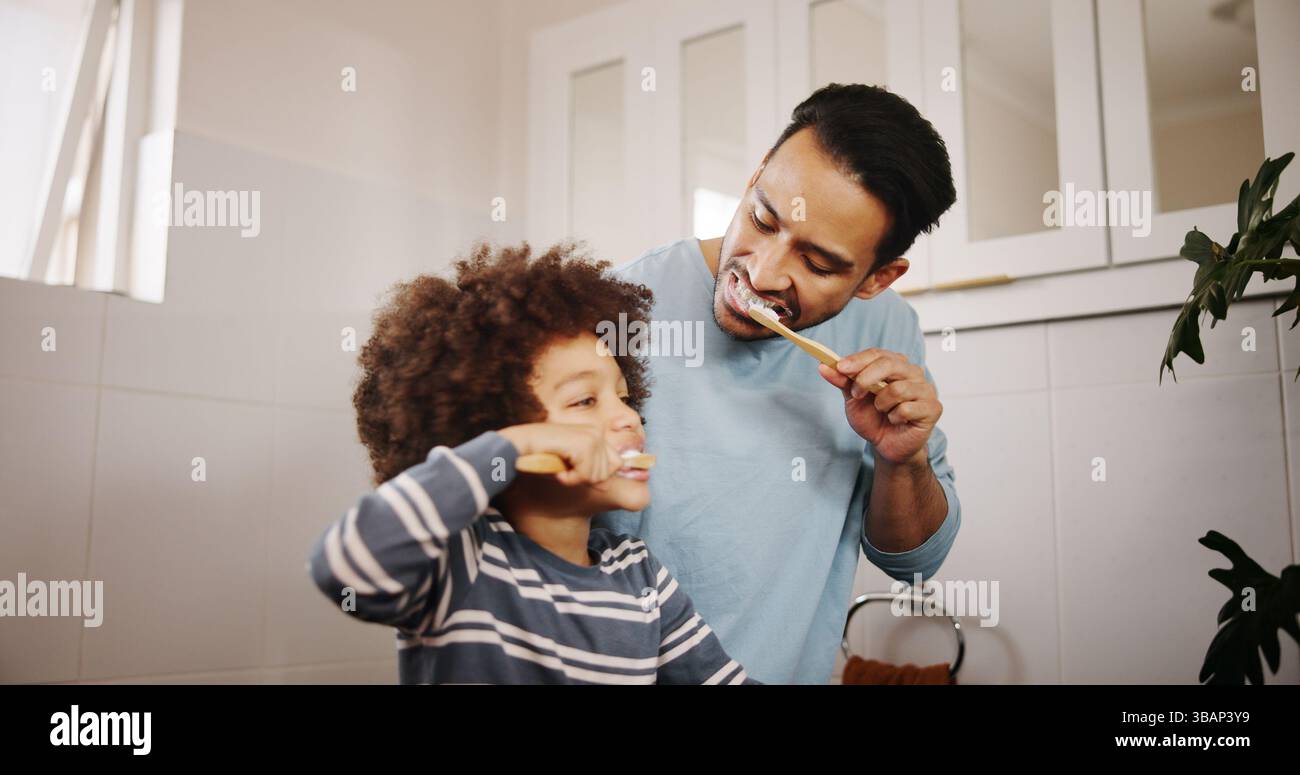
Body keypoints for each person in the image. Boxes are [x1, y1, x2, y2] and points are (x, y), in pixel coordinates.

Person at [594, 83, 962, 683]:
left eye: (817, 265)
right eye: (763, 220)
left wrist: (903, 458)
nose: (761, 274)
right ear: (755, 177)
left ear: (878, 278)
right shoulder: (612, 312)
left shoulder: (890, 331)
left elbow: (916, 564)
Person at [307, 243, 760, 684]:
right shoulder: (463, 558)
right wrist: (509, 446)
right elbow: (346, 568)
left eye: (624, 398)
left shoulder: (641, 577)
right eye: (585, 400)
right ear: (494, 429)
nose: (628, 418)